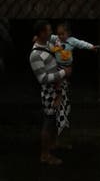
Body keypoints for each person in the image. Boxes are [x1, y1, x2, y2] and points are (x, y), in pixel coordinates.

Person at [30, 20, 71, 165]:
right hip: (49, 92)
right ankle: (45, 155)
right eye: (48, 31)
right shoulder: (35, 55)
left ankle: (53, 143)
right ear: (41, 33)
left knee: (55, 119)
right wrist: (63, 73)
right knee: (48, 121)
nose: (51, 33)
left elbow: (57, 38)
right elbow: (42, 78)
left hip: (57, 88)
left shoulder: (47, 43)